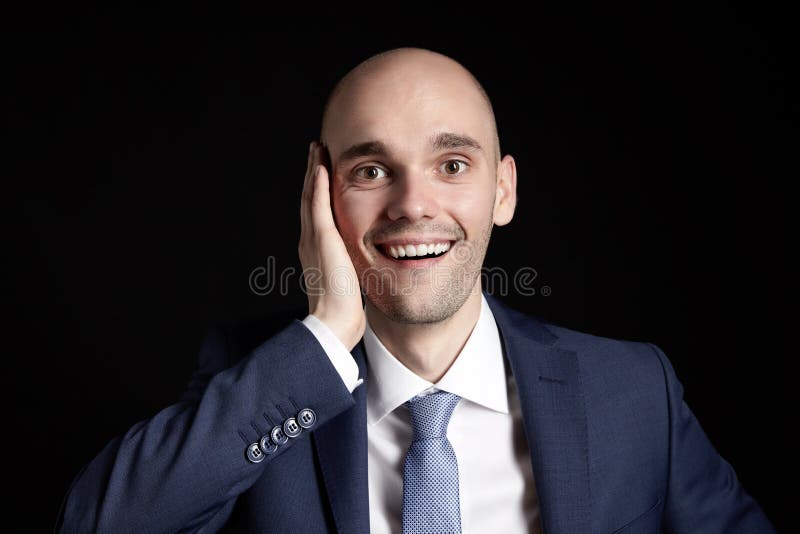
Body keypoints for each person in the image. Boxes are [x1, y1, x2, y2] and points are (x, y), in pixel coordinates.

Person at [56, 47, 775, 533]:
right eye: (370, 171)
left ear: (504, 190)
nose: (412, 205)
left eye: (452, 164)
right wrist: (327, 334)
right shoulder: (263, 379)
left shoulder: (635, 391)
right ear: (319, 192)